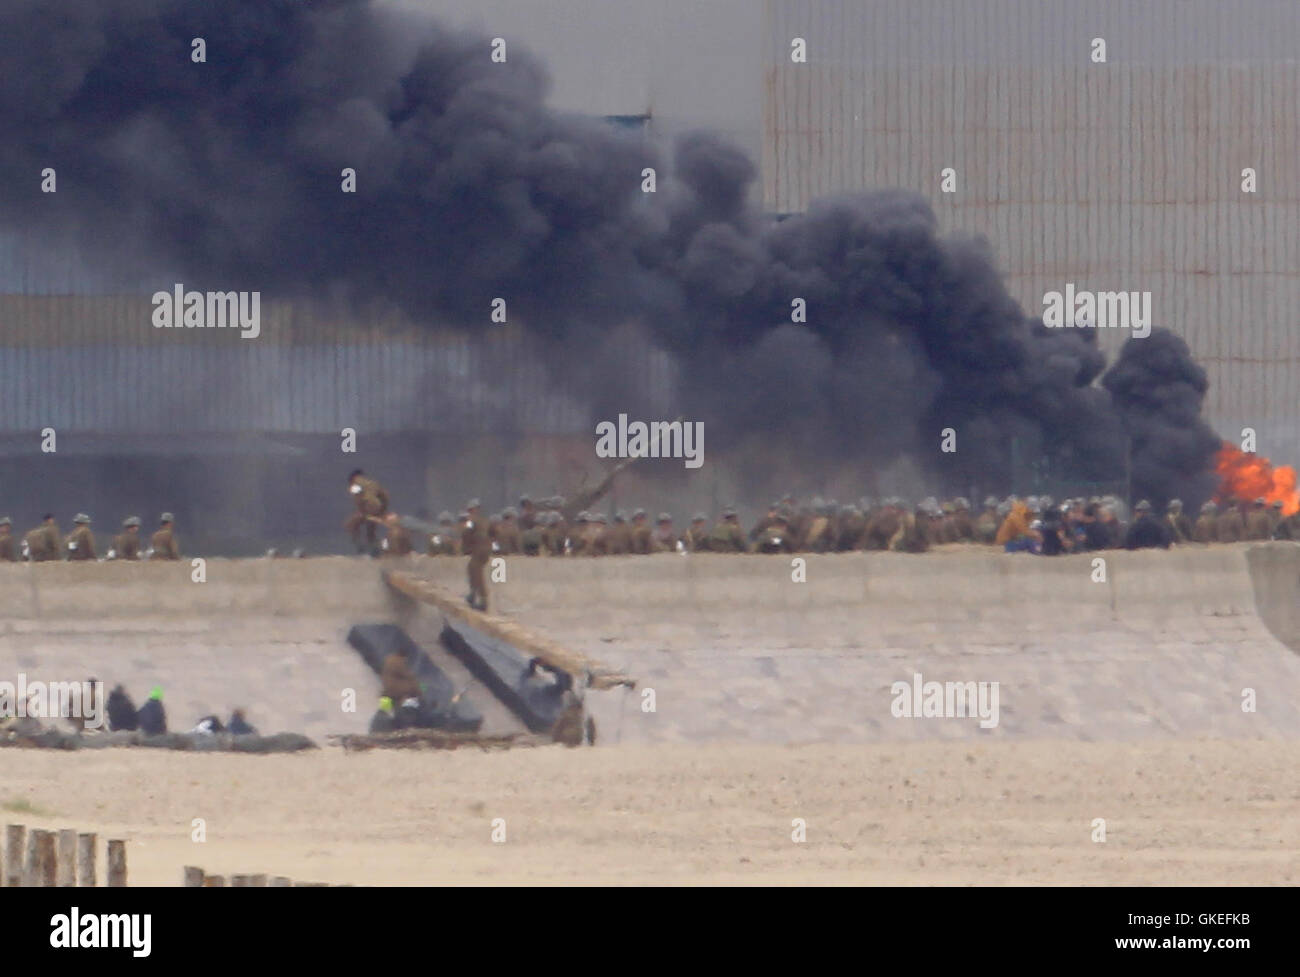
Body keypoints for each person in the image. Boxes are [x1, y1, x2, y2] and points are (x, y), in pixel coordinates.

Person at [344, 469, 389, 553]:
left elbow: (358, 500)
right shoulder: (373, 483)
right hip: (377, 508)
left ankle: (360, 546)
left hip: (367, 509)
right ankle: (377, 549)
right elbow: (385, 496)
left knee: (351, 524)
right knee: (370, 531)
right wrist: (383, 510)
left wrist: (362, 512)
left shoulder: (355, 486)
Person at [461, 499, 492, 611]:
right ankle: (473, 594)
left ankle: (482, 600)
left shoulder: (470, 520)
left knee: (476, 573)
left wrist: (465, 548)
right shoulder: (484, 521)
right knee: (472, 569)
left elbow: (466, 533)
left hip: (478, 550)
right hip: (485, 550)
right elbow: (493, 533)